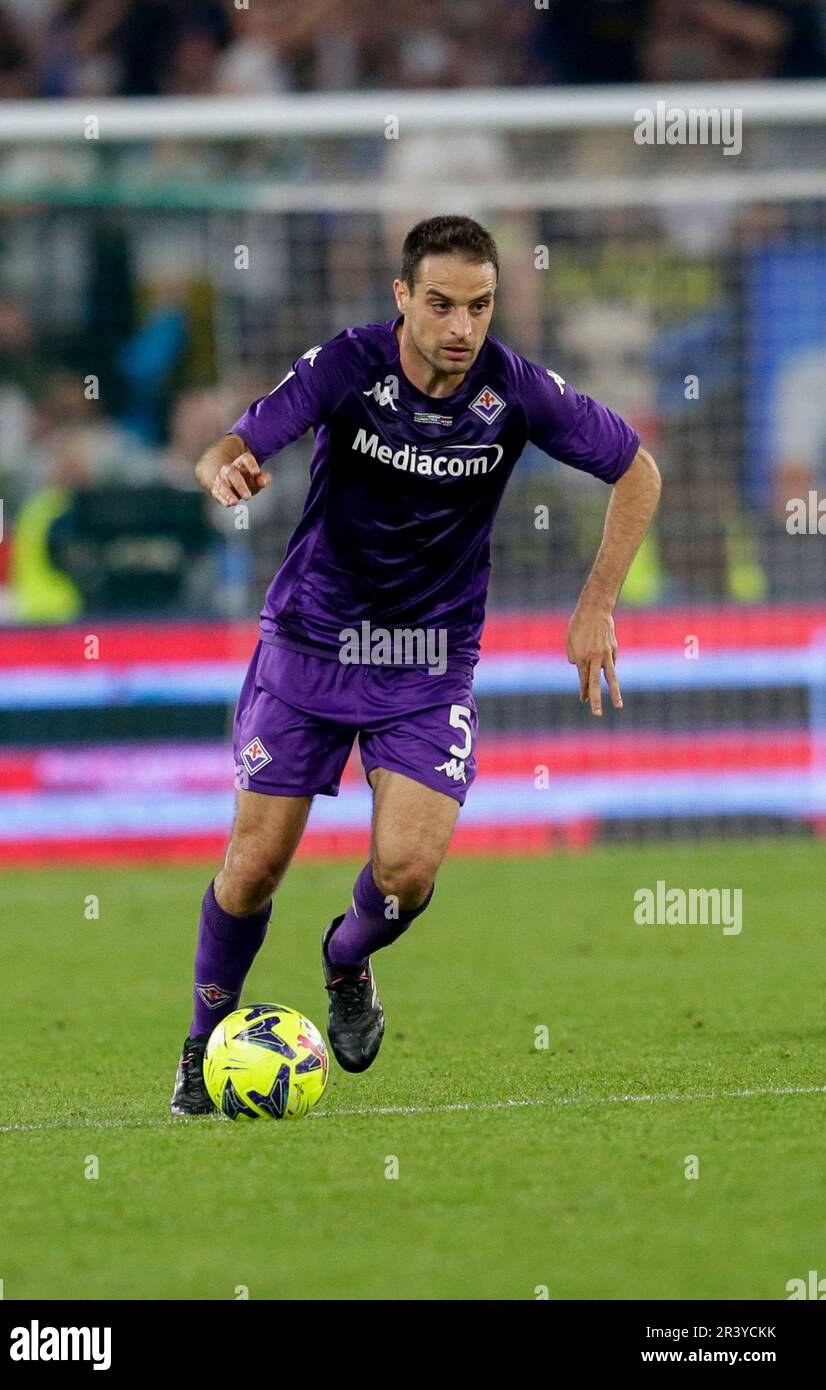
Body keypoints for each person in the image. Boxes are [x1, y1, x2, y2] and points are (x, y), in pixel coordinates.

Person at [171, 215, 661, 1114]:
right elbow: (231, 446)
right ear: (403, 298)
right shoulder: (347, 367)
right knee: (253, 869)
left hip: (427, 663)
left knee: (408, 872)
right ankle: (203, 1044)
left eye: (478, 305)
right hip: (312, 645)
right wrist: (223, 473)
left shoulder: (515, 390)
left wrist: (595, 606)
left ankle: (345, 960)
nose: (461, 326)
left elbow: (638, 472)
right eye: (440, 304)